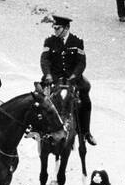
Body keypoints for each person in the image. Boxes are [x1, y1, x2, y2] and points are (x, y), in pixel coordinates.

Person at [40, 15, 95, 145]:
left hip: (73, 78)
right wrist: (47, 74)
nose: (55, 31)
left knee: (85, 99)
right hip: (54, 78)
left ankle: (86, 132)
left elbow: (81, 63)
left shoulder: (77, 42)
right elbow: (45, 59)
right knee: (39, 98)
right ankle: (40, 129)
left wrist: (74, 76)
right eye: (54, 28)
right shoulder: (49, 41)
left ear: (66, 28)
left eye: (57, 28)